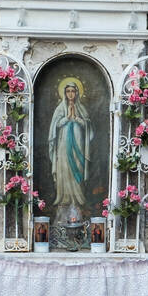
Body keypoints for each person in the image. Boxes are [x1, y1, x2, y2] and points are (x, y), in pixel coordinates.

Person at [48, 76, 93, 217]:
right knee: (64, 169)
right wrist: (67, 117)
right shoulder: (59, 109)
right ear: (64, 93)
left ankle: (78, 200)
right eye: (68, 91)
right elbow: (54, 128)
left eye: (73, 91)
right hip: (62, 145)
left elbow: (88, 128)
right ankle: (64, 199)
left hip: (78, 145)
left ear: (77, 93)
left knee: (77, 168)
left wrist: (77, 119)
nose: (71, 94)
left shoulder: (81, 108)